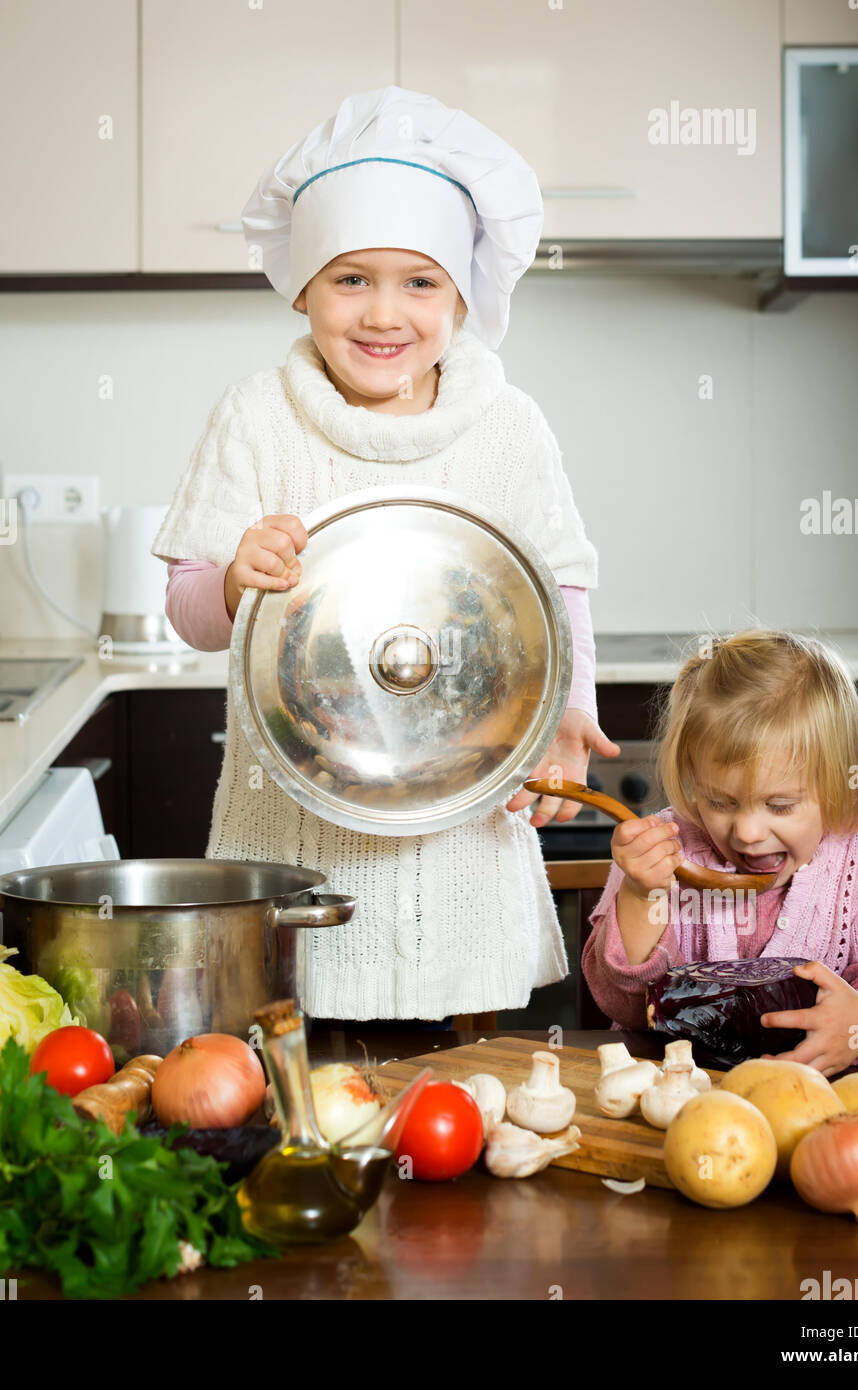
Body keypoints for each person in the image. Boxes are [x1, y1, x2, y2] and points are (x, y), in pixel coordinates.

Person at [151, 86, 618, 1022]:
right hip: (293, 827)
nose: (383, 313)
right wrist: (237, 578)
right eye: (351, 278)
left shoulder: (506, 427)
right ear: (304, 286)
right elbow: (192, 609)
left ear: (460, 296)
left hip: (466, 835)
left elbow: (557, 584)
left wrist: (570, 707)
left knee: (467, 1080)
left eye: (420, 282)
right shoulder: (258, 416)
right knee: (298, 1070)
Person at [582, 630, 858, 1073]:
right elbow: (626, 1007)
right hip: (677, 1085)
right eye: (720, 802)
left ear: (836, 786)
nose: (749, 832)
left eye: (780, 805)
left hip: (821, 1095)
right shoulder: (661, 849)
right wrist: (641, 896)